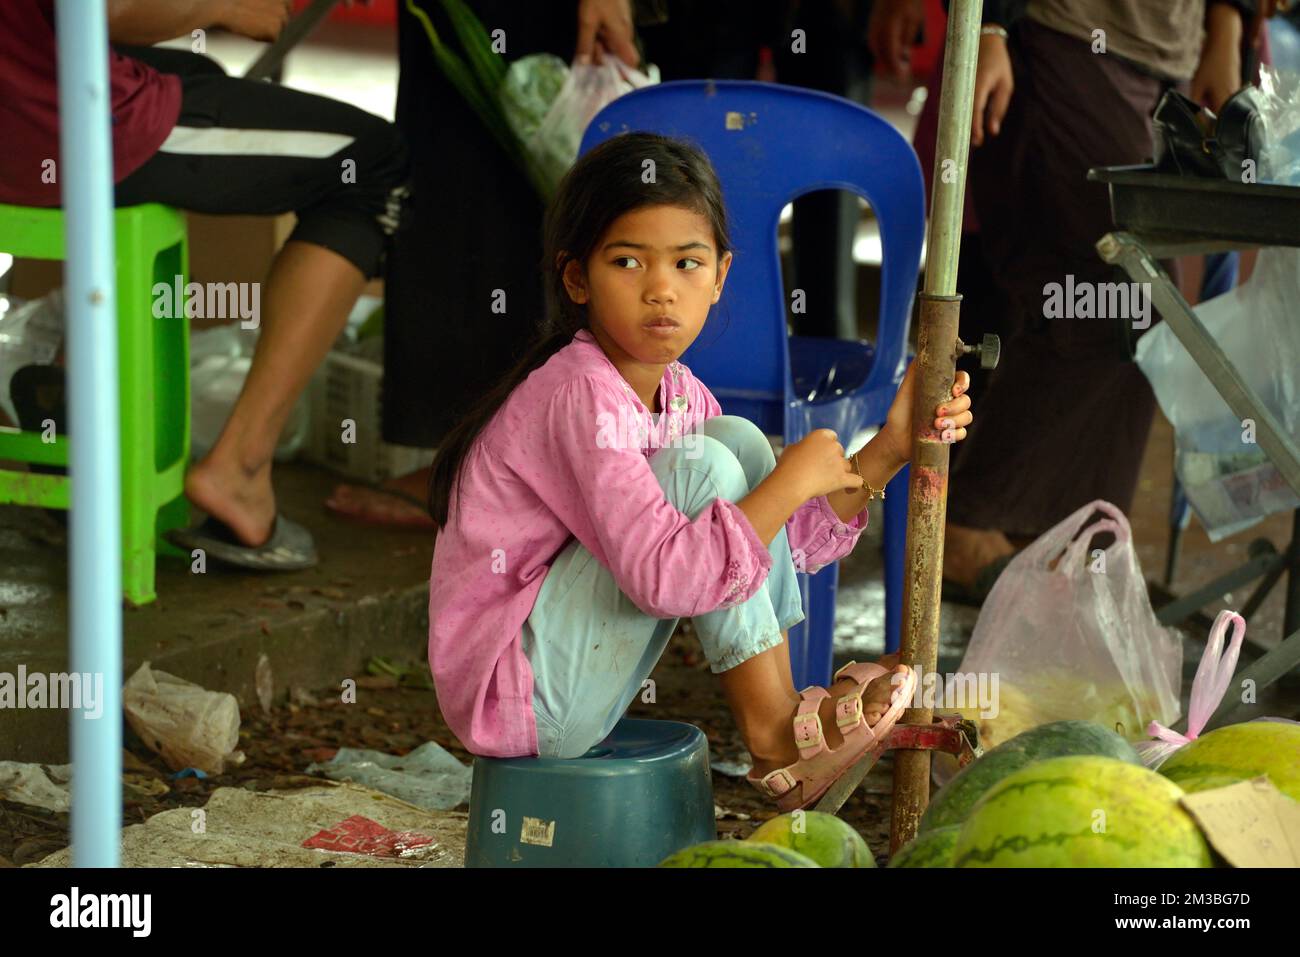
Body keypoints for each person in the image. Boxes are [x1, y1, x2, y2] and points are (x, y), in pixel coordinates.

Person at [426, 133, 975, 809]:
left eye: (687, 263)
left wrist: (888, 447)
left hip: (571, 683)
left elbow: (772, 547)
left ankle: (787, 716)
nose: (661, 289)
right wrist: (787, 481)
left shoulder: (682, 394)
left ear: (720, 275)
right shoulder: (579, 395)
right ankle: (776, 734)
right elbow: (668, 577)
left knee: (733, 444)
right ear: (577, 279)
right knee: (712, 463)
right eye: (627, 261)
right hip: (519, 699)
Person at [869, 0, 1259, 600]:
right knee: (1123, 303)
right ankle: (967, 519)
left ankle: (1055, 533)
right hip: (1058, 33)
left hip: (1169, 50)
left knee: (1094, 299)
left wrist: (1225, 28)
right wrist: (992, 25)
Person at [0, 0, 410, 570]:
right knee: (376, 166)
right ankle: (240, 469)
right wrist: (223, 6)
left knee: (199, 79)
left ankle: (76, 392)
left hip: (20, 94)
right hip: (54, 127)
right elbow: (110, 11)